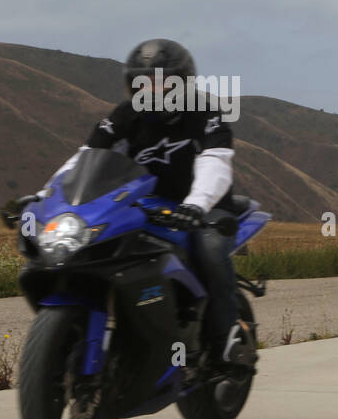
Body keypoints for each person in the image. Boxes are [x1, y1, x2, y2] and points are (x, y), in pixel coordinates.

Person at [27, 39, 254, 372]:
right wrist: (45, 196)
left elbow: (214, 162)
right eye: (141, 82)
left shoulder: (205, 113)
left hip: (202, 210)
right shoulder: (124, 115)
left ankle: (226, 337)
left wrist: (196, 205)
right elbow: (84, 158)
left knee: (208, 249)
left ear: (183, 82)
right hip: (142, 204)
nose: (151, 89)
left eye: (161, 82)